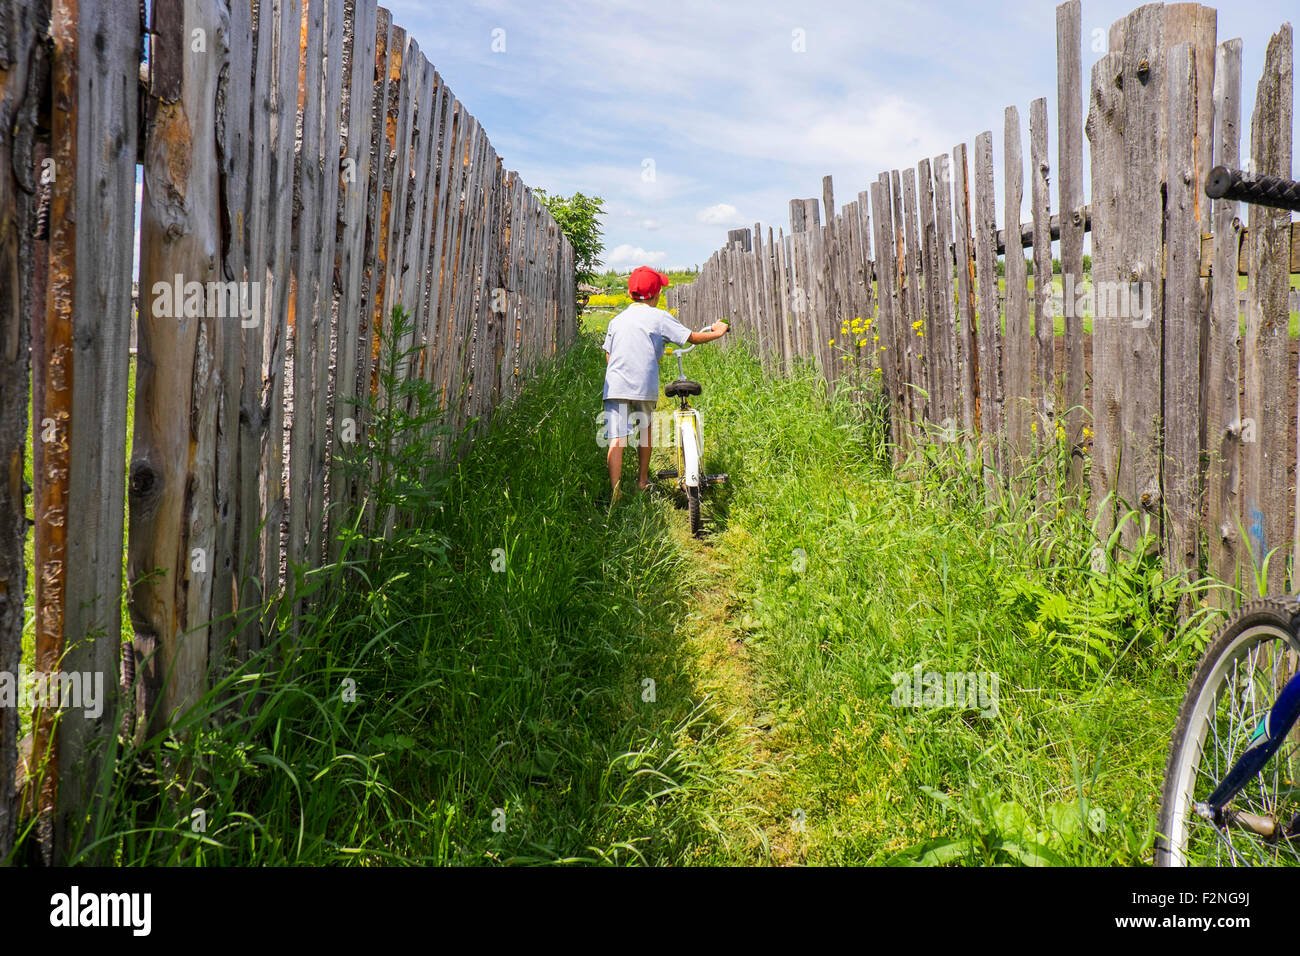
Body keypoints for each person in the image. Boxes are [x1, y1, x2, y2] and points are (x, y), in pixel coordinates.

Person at [601, 266, 728, 505]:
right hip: (643, 385)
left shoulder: (616, 320)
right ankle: (641, 481)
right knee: (646, 430)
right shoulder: (659, 317)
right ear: (657, 294)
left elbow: (609, 355)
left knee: (616, 439)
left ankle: (615, 493)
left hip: (615, 384)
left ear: (630, 294)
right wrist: (717, 332)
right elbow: (692, 337)